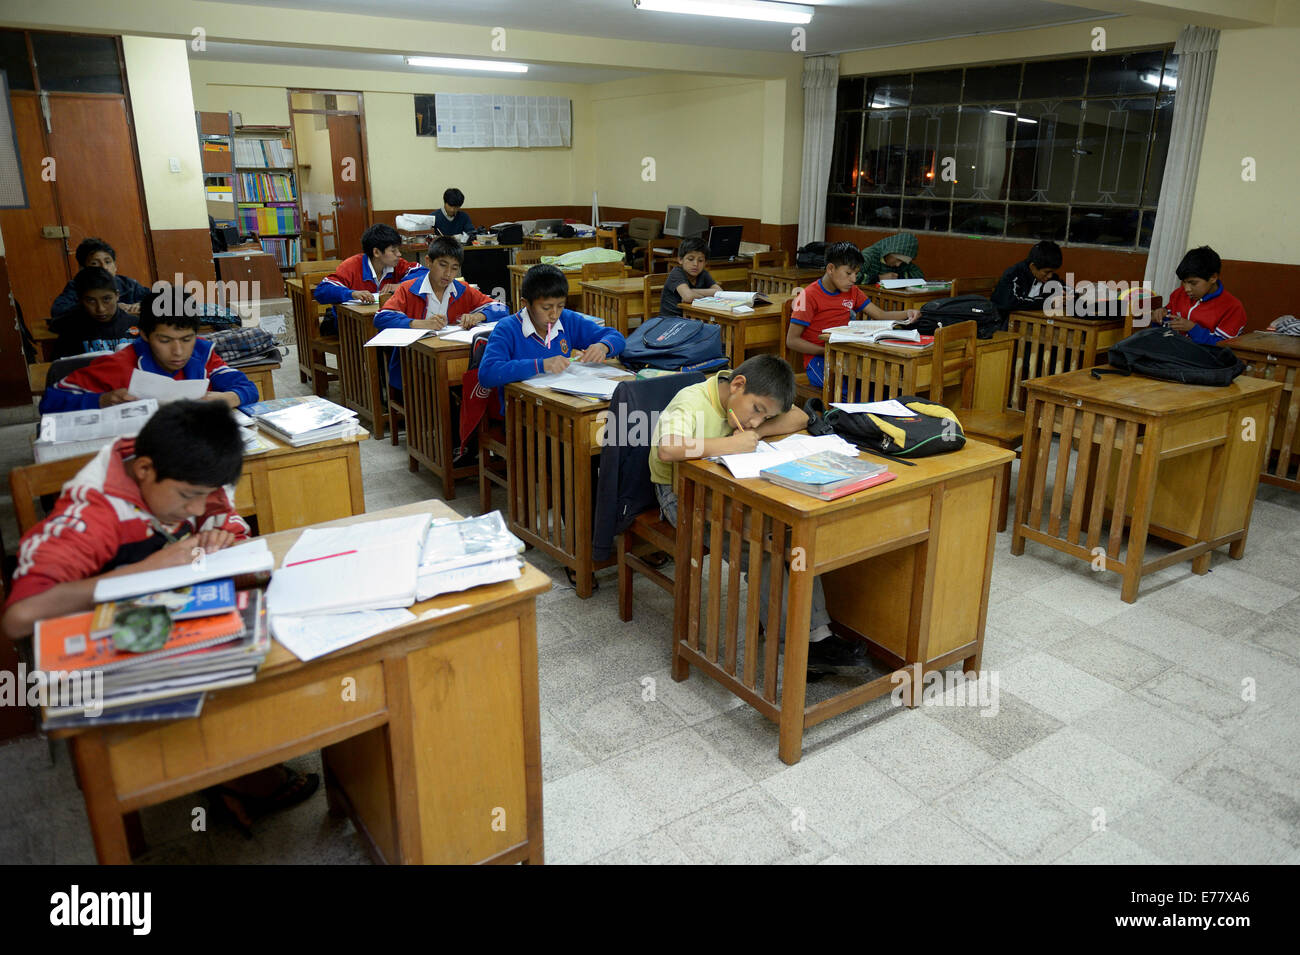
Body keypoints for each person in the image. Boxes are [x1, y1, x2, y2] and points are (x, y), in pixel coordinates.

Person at [2, 402, 319, 828]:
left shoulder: (192, 468)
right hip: (110, 648)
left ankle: (237, 761)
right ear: (145, 470)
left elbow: (222, 516)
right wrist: (147, 570)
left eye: (205, 494)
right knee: (240, 677)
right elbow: (19, 617)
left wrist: (221, 534)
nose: (195, 508)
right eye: (188, 496)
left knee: (281, 650)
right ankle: (230, 773)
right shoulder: (93, 513)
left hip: (184, 609)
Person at [649, 353, 868, 675]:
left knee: (795, 534)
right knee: (762, 547)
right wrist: (730, 444)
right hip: (680, 496)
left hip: (729, 491)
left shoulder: (745, 396)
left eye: (764, 416)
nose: (755, 420)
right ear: (737, 385)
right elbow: (668, 448)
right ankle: (795, 646)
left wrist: (757, 433)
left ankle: (817, 636)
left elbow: (797, 418)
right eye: (756, 411)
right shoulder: (692, 401)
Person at [41, 291, 259, 413]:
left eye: (187, 339)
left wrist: (228, 398)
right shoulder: (120, 364)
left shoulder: (203, 352)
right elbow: (49, 402)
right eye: (165, 340)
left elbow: (248, 388)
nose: (178, 351)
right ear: (144, 335)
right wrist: (100, 401)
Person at [478, 264, 626, 413]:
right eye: (546, 308)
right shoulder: (507, 328)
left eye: (560, 306)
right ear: (526, 304)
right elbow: (487, 374)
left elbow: (616, 337)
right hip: (522, 415)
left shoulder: (567, 320)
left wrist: (602, 346)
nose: (554, 315)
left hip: (564, 407)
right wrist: (540, 365)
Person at [373, 236, 507, 393]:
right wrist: (420, 324)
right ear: (429, 261)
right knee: (443, 392)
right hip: (412, 366)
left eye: (454, 268)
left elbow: (501, 308)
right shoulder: (409, 289)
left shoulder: (461, 289)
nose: (448, 274)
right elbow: (381, 318)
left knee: (481, 382)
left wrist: (478, 316)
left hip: (451, 360)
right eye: (443, 265)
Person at [785, 242, 917, 390]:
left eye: (856, 274)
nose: (854, 279)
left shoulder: (852, 291)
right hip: (819, 360)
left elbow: (880, 314)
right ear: (830, 269)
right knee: (844, 391)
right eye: (848, 273)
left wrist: (908, 313)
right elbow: (792, 341)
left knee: (880, 387)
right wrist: (826, 350)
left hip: (845, 356)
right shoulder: (807, 296)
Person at [313, 224, 422, 333]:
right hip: (352, 328)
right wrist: (352, 293)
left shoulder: (397, 264)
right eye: (393, 251)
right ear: (376, 252)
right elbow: (322, 290)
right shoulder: (352, 266)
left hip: (383, 323)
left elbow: (423, 274)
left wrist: (400, 285)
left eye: (398, 249)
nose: (399, 254)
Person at [1151, 246, 1247, 344]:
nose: (1186, 289)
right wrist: (1158, 316)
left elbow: (1223, 345)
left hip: (1206, 357)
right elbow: (1166, 326)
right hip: (1173, 352)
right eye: (1184, 282)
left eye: (1193, 283)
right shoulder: (1179, 294)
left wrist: (1193, 329)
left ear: (1213, 277)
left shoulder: (1232, 307)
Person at [49, 267, 142, 360]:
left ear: (117, 296)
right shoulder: (72, 331)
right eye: (91, 301)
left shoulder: (137, 325)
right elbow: (60, 367)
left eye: (106, 299)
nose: (100, 309)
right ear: (81, 300)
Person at [50, 238, 149, 320]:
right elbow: (58, 311)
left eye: (108, 262)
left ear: (115, 266)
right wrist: (113, 309)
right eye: (95, 263)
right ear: (83, 269)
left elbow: (159, 300)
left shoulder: (128, 284)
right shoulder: (76, 286)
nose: (104, 267)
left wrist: (142, 305)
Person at [991, 240, 1063, 324]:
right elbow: (1010, 303)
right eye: (1047, 272)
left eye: (1053, 272)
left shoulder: (1049, 278)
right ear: (1032, 266)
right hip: (1001, 324)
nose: (1050, 276)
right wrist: (1047, 302)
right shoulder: (1014, 274)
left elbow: (1062, 288)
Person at [658, 237, 721, 317]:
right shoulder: (677, 273)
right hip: (671, 320)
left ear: (705, 263)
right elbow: (688, 297)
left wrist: (692, 291)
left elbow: (719, 292)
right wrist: (708, 295)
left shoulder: (703, 274)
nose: (695, 264)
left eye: (700, 260)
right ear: (680, 260)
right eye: (690, 259)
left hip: (692, 318)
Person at [858, 233, 924, 287]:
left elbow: (919, 276)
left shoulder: (902, 264)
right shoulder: (869, 255)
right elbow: (852, 276)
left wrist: (898, 277)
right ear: (889, 252)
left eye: (902, 262)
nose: (898, 265)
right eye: (898, 260)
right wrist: (879, 278)